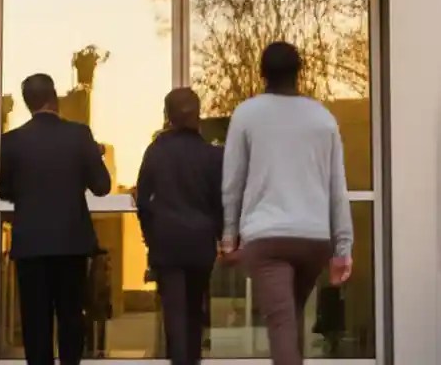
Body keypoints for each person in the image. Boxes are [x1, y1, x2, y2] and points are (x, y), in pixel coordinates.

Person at [222, 42, 354, 365]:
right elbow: (338, 187)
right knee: (290, 317)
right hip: (313, 239)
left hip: (267, 238)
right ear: (300, 72)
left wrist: (229, 236)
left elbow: (233, 181)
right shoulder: (323, 119)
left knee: (280, 322)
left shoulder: (246, 114)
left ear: (262, 73)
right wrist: (343, 247)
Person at [0, 73, 112, 365]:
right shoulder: (79, 135)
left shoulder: (10, 143)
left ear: (27, 104)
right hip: (71, 244)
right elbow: (102, 186)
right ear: (55, 98)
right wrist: (94, 156)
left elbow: (6, 189)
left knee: (36, 323)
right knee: (71, 317)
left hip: (31, 245)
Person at [135, 87, 223, 365]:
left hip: (167, 243)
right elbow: (220, 201)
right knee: (195, 312)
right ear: (198, 115)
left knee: (174, 314)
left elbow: (144, 200)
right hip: (200, 243)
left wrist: (150, 236)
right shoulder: (211, 155)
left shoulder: (156, 152)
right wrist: (222, 236)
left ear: (168, 117)